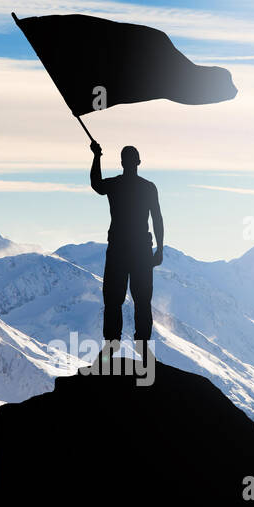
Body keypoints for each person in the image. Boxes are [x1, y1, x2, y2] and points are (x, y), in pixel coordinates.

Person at [89, 141, 163, 356]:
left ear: (122, 163)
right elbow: (157, 219)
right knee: (142, 300)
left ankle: (111, 346)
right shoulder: (148, 187)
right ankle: (142, 349)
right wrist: (159, 249)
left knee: (113, 300)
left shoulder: (115, 185)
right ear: (138, 162)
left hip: (119, 250)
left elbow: (96, 184)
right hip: (141, 250)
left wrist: (96, 156)